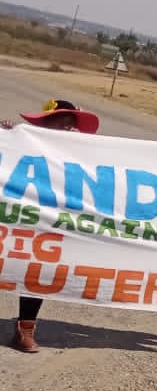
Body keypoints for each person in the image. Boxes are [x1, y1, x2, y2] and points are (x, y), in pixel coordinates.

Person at [2, 98, 102, 352]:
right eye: (61, 121)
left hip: (49, 222)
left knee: (38, 269)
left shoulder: (84, 152)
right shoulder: (23, 143)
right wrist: (7, 137)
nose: (68, 127)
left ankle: (25, 329)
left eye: (72, 123)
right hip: (15, 215)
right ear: (46, 124)